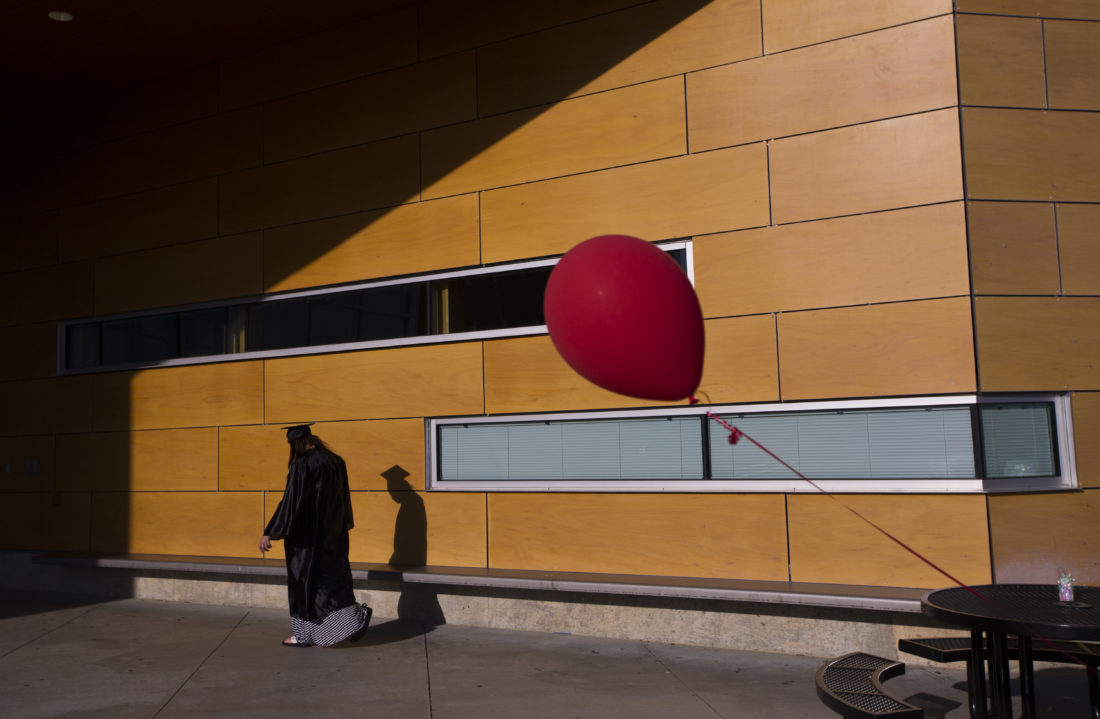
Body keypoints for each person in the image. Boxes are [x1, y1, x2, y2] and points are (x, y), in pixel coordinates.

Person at [259, 423, 371, 647]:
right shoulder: (336, 462)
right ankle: (356, 617)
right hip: (333, 534)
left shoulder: (303, 464)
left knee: (303, 583)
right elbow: (342, 500)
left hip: (306, 538)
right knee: (333, 580)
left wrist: (271, 530)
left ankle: (302, 635)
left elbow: (292, 502)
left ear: (296, 443)